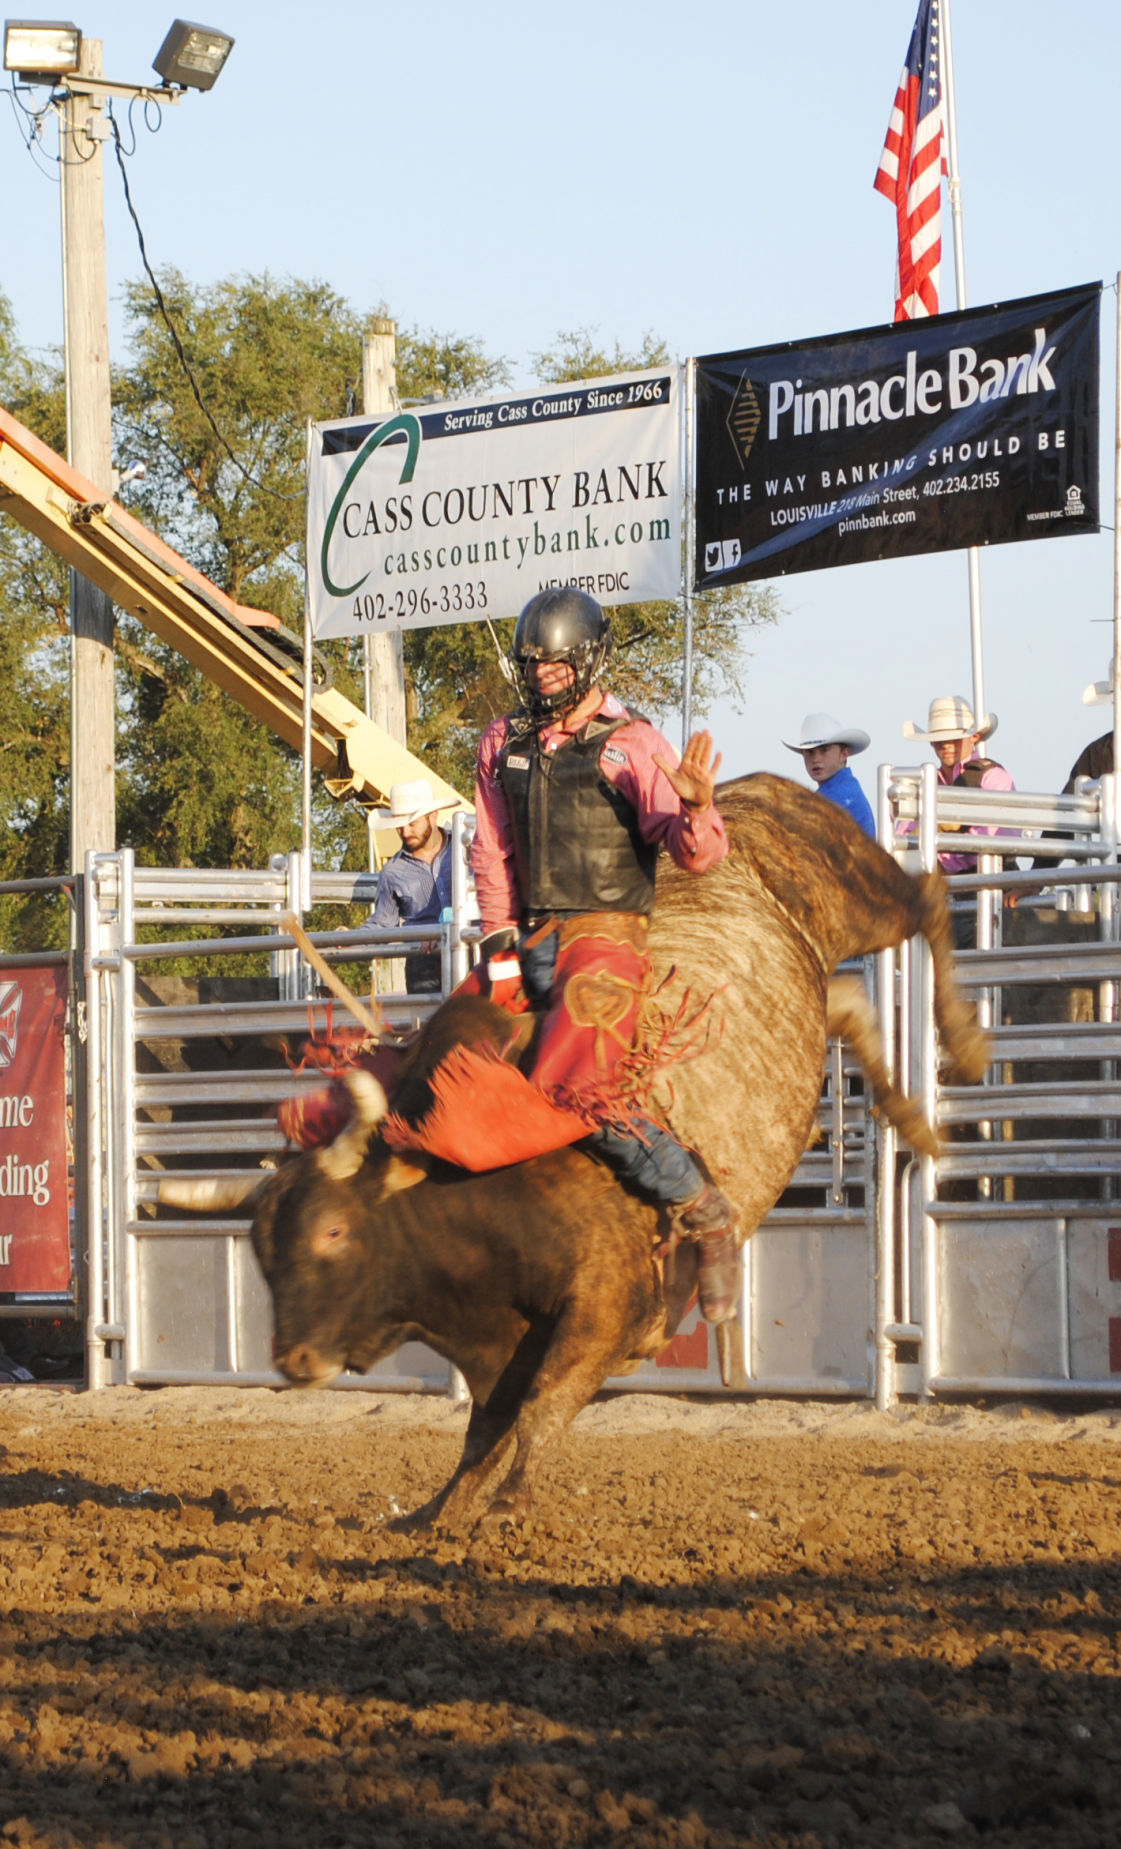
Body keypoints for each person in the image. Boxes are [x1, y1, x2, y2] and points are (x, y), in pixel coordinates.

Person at [470, 587, 739, 1323]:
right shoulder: (501, 741)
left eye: (556, 666)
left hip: (608, 938)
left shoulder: (633, 743)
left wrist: (692, 807)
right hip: (529, 936)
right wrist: (497, 940)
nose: (543, 677)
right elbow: (491, 848)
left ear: (587, 662)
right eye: (534, 666)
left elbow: (699, 858)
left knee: (578, 1089)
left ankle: (704, 1208)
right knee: (454, 1060)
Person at [901, 694, 1015, 873]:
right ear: (931, 741)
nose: (946, 744)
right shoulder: (926, 785)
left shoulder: (993, 777)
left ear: (974, 737)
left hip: (992, 882)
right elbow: (902, 836)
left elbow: (993, 836)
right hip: (941, 883)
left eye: (954, 738)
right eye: (939, 738)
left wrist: (936, 858)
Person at [369, 779, 455, 995]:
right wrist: (346, 941)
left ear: (433, 817)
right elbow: (382, 924)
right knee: (427, 1024)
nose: (405, 832)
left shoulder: (469, 851)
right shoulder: (392, 872)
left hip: (471, 950)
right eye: (399, 826)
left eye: (412, 823)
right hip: (422, 962)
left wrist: (444, 926)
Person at [784, 713, 875, 837]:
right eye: (810, 752)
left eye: (824, 750)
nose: (816, 759)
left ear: (843, 754)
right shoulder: (843, 790)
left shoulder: (836, 797)